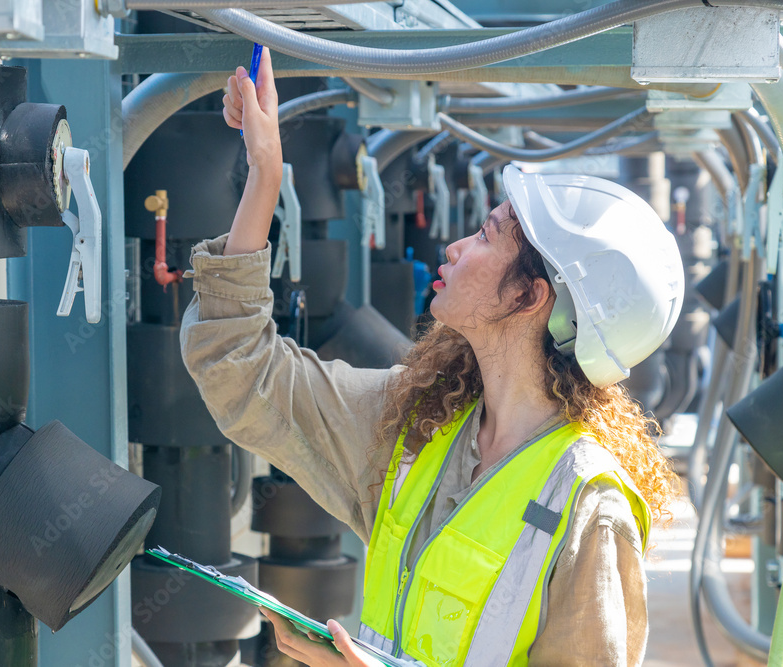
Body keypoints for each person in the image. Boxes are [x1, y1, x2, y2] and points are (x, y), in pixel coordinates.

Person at [181, 48, 684, 667]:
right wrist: (264, 176)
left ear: (531, 297)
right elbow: (243, 372)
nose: (454, 245)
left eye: (486, 236)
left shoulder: (588, 511)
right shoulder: (419, 424)